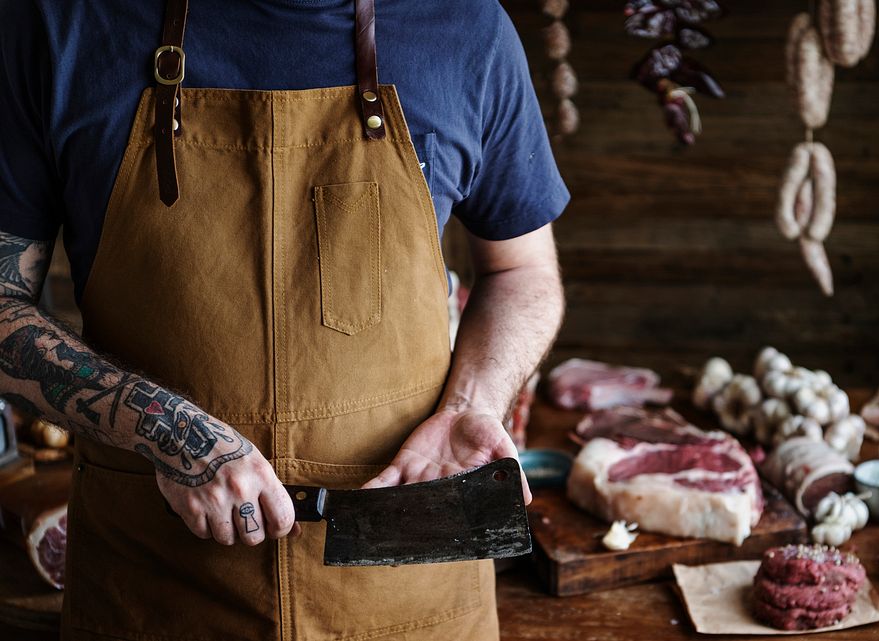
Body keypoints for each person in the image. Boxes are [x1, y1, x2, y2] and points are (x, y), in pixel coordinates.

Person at [0, 0, 568, 639]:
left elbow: (522, 272)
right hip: (154, 587)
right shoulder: (60, 24)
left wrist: (473, 403)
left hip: (410, 584)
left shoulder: (466, 27)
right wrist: (164, 430)